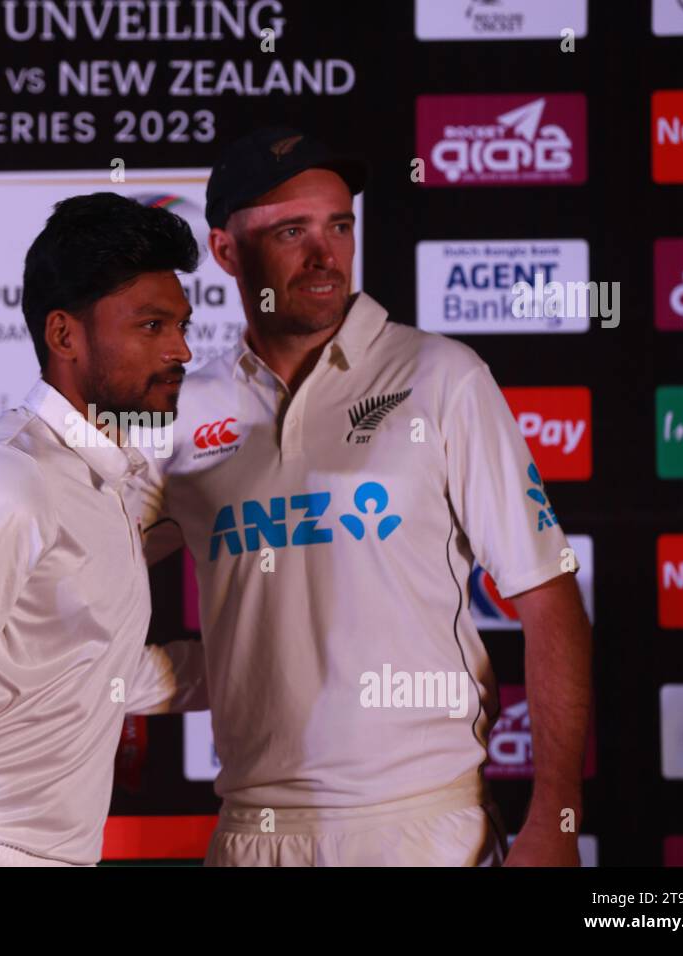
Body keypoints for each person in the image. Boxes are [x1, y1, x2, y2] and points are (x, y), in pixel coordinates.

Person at [139, 127, 593, 866]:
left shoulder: (442, 376)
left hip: (423, 828)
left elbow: (546, 595)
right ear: (225, 252)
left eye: (339, 225)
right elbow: (77, 567)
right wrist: (166, 676)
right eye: (292, 232)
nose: (325, 257)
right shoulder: (184, 412)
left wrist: (559, 817)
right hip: (252, 833)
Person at [0, 192, 207, 867]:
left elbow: (85, 671)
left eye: (182, 325)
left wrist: (271, 667)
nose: (183, 350)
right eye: (151, 326)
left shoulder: (103, 481)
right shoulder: (6, 479)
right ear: (64, 336)